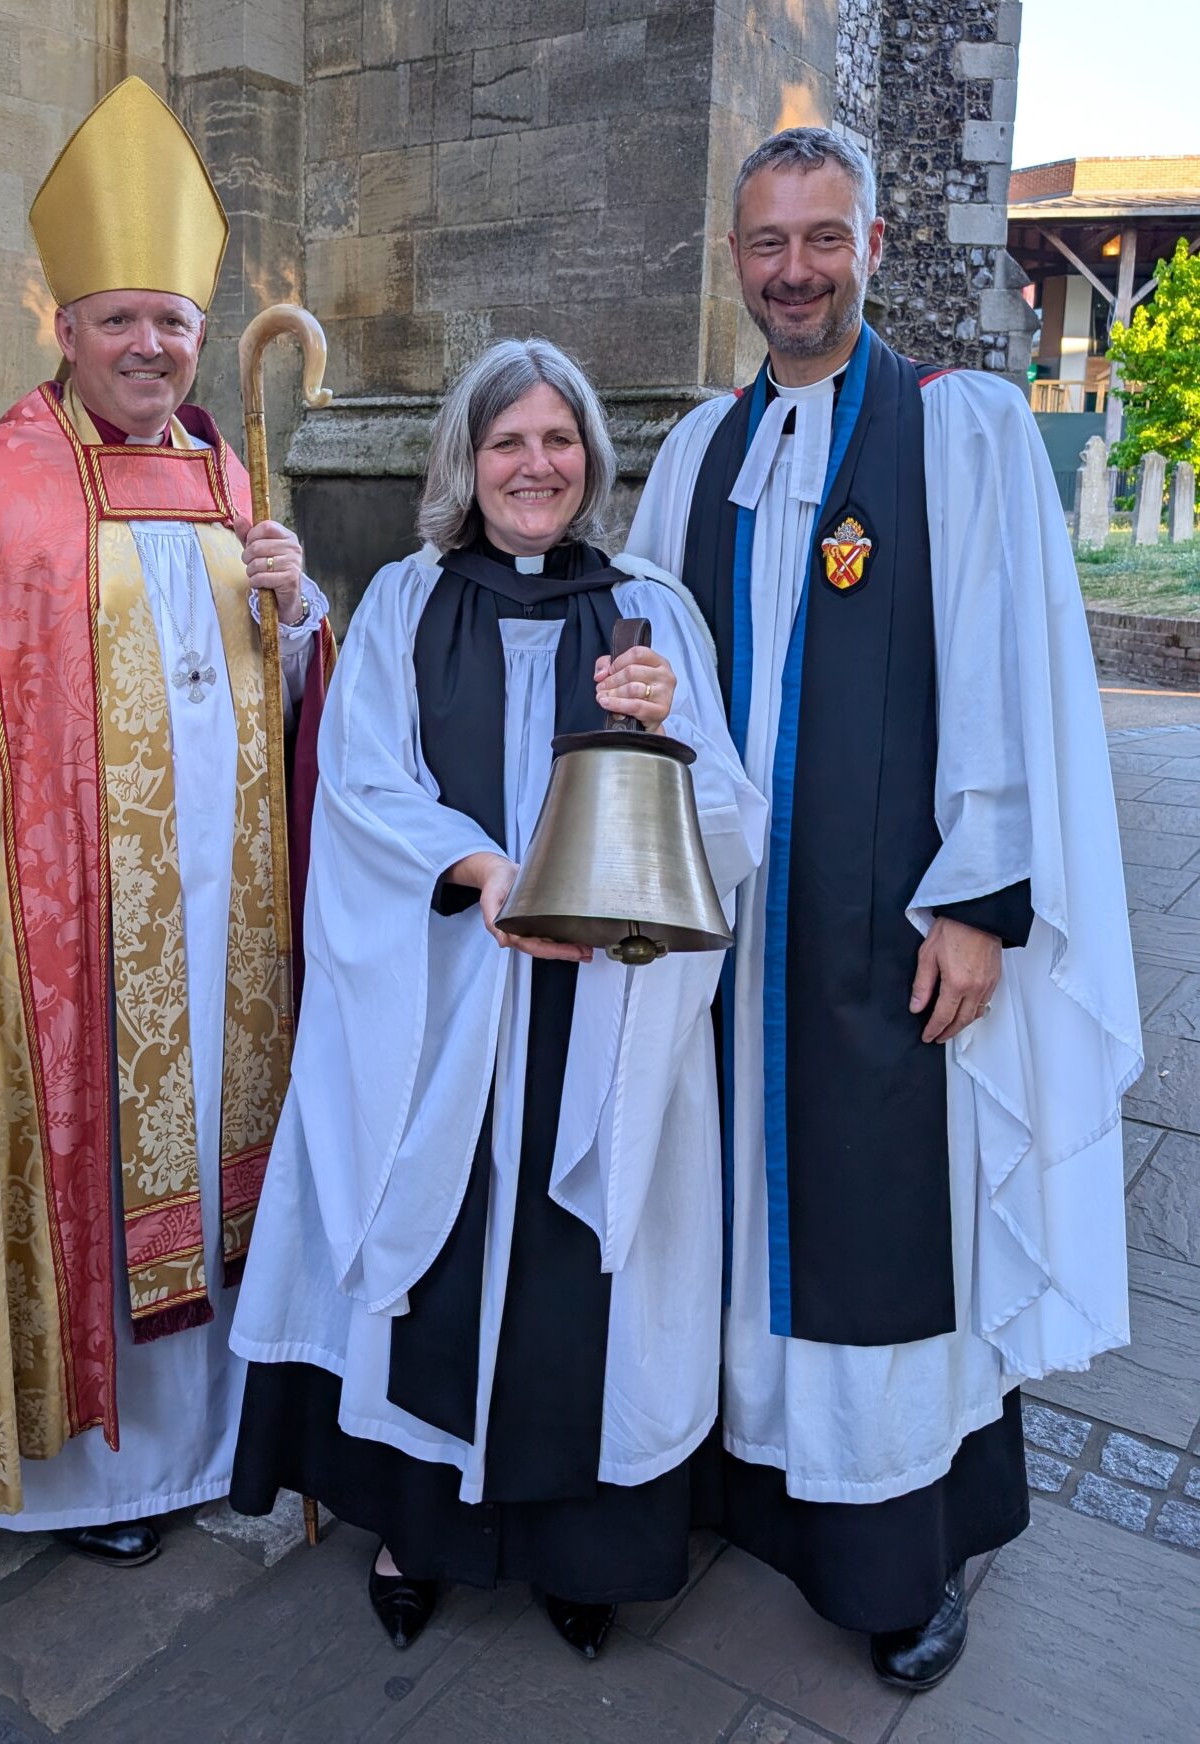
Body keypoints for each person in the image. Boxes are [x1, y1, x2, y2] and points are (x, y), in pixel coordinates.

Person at [628, 126, 1141, 1687]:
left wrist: (980, 902)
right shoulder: (695, 455)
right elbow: (646, 663)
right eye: (766, 242)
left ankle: (896, 1555)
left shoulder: (957, 429)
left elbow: (1001, 672)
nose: (794, 269)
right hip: (728, 940)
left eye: (821, 238)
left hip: (888, 937)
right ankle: (746, 1491)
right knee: (730, 1221)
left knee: (883, 1235)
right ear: (735, 260)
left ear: (868, 244)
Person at [0, 78, 331, 1563]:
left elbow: (285, 690)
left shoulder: (227, 472)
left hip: (223, 918)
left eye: (171, 324)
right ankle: (86, 1474)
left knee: (218, 1154)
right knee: (101, 1163)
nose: (149, 347)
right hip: (74, 928)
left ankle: (215, 1432)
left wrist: (300, 609)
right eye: (119, 320)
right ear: (61, 327)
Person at [228, 340, 766, 1658]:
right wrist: (483, 878)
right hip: (452, 1006)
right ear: (463, 465)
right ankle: (416, 1531)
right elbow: (360, 792)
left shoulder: (653, 610)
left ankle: (577, 1550)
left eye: (558, 440)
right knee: (444, 1260)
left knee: (579, 1275)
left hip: (601, 1014)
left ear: (592, 458)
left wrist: (663, 732)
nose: (535, 466)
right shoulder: (410, 601)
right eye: (506, 442)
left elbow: (728, 825)